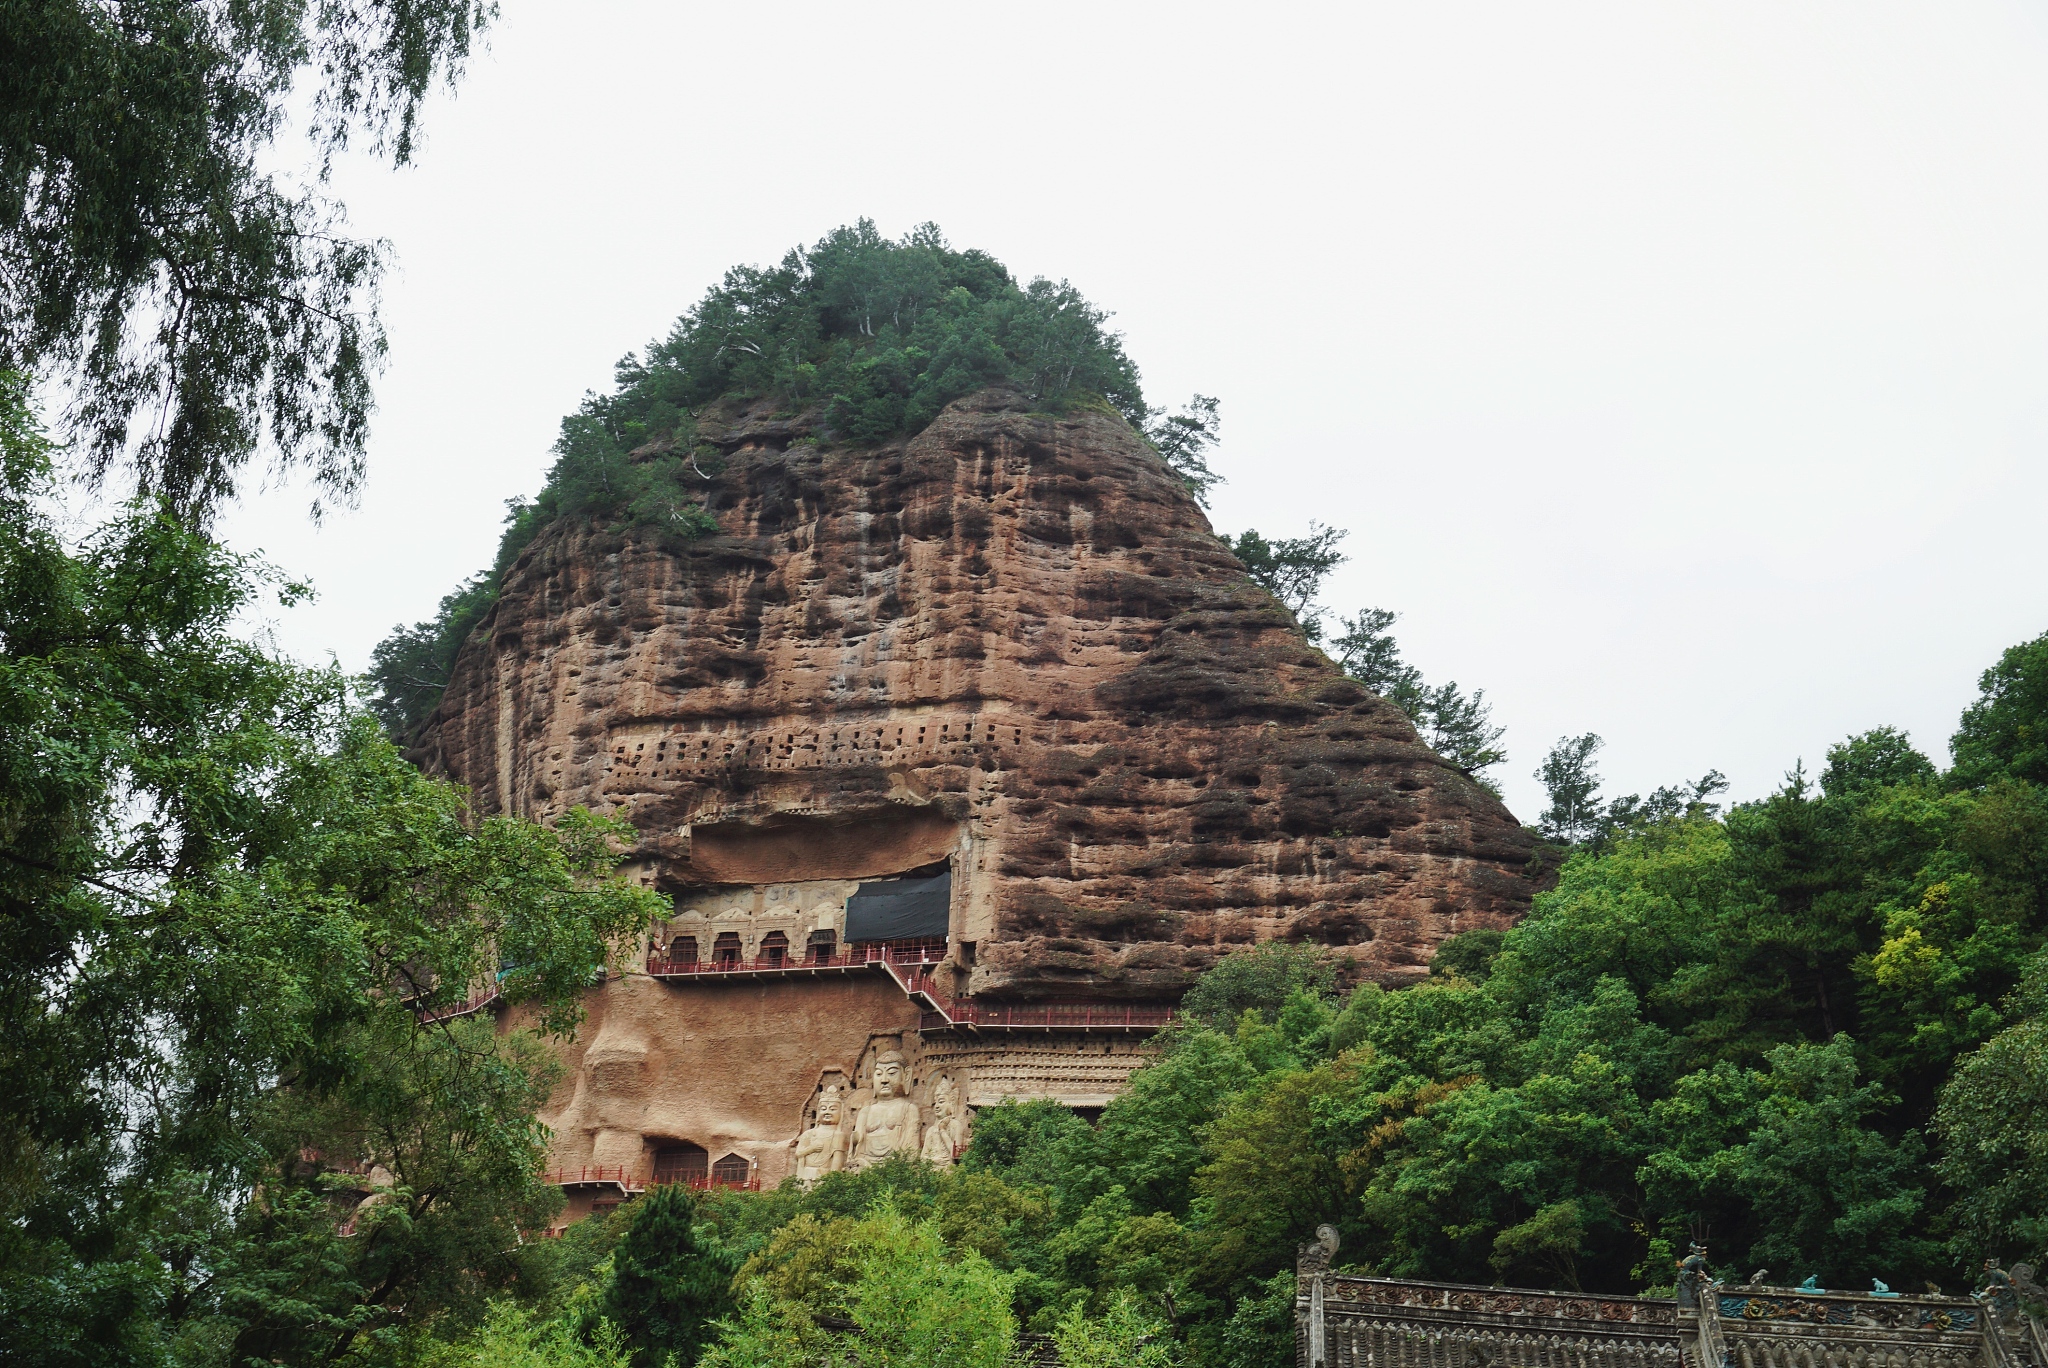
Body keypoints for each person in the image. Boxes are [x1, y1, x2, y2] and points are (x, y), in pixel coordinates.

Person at [848, 1050, 922, 1169]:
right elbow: (857, 1151)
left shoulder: (909, 1109)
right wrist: (855, 1142)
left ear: (906, 1076)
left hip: (895, 1167)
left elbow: (911, 1149)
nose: (884, 1080)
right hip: (865, 1166)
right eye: (878, 1074)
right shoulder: (865, 1112)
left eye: (892, 1073)